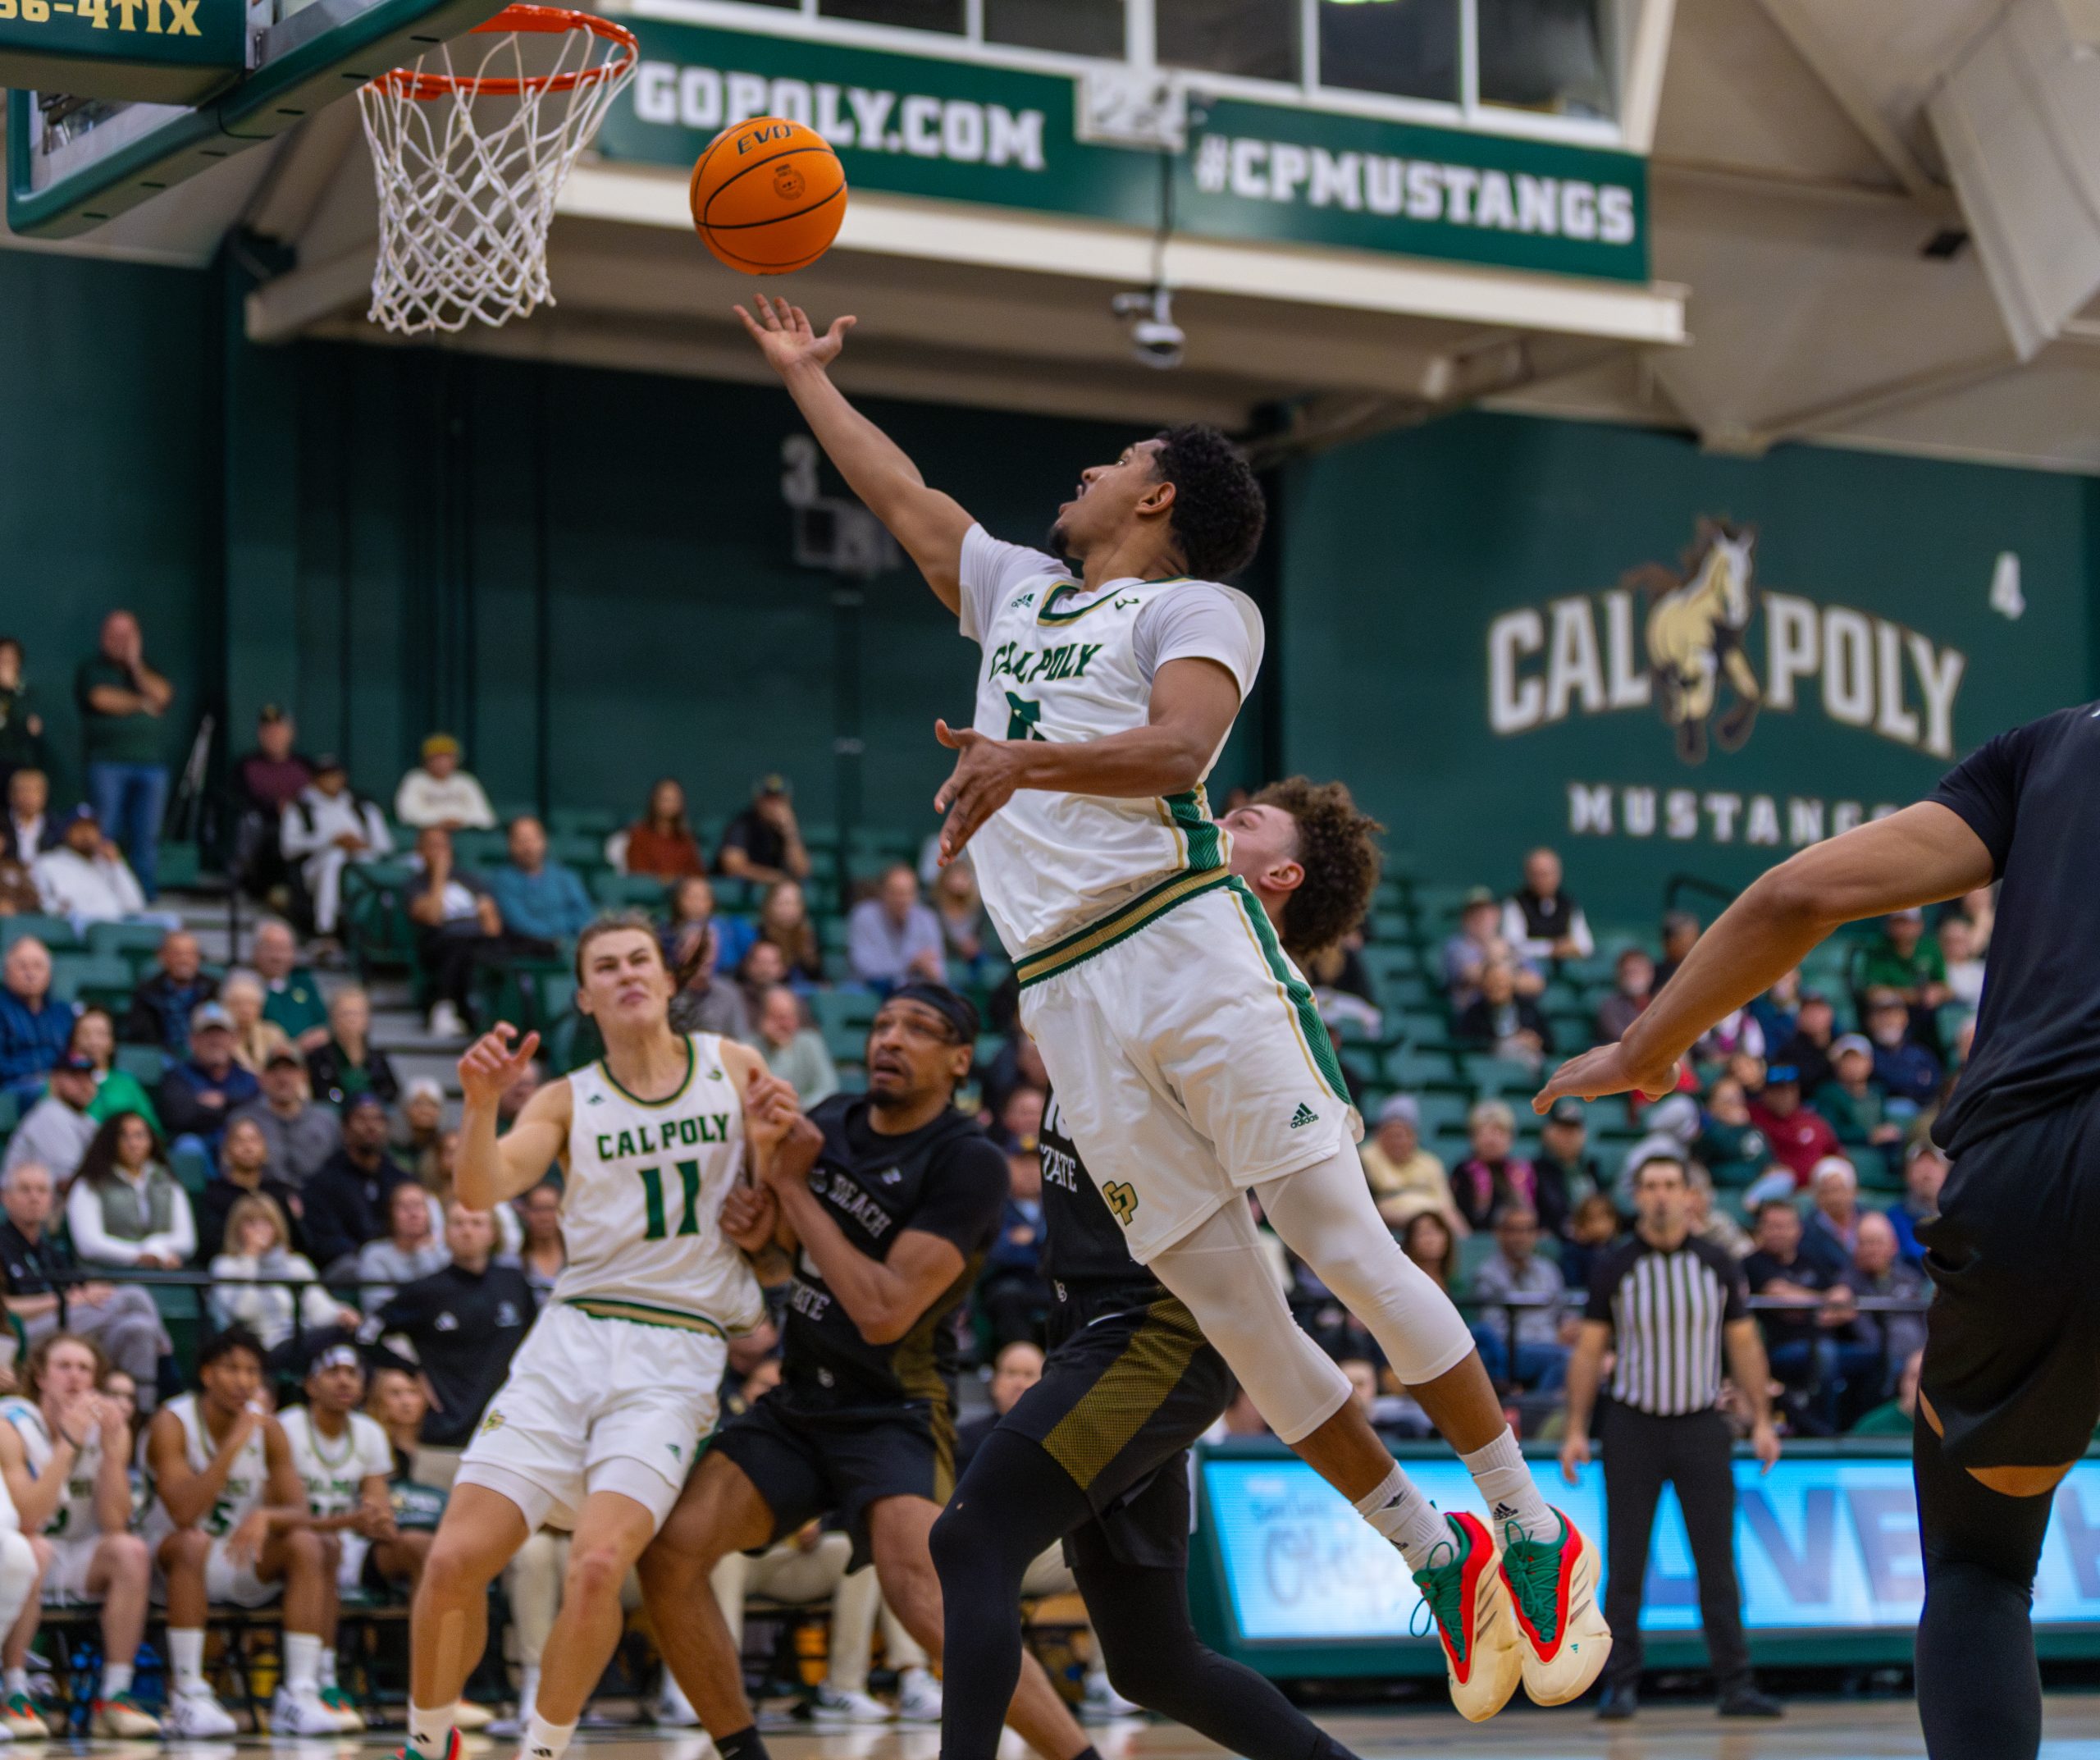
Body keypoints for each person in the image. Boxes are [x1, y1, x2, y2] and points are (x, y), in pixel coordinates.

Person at [736, 293, 1606, 1716]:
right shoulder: (1020, 591)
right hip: (1068, 998)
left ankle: (1525, 1520)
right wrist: (805, 381)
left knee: (1340, 1243)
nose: (1085, 471)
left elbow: (1183, 748)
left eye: (1115, 460)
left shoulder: (1196, 608)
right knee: (1236, 1314)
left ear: (1157, 498)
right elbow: (905, 500)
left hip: (1182, 947)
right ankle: (1432, 1551)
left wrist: (1023, 761)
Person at [1533, 706, 2100, 1758]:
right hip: (1651, 1417)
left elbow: (1797, 895)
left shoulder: (2053, 748)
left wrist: (1646, 1048)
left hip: (2033, 1179)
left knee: (1981, 1567)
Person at [632, 983, 1093, 1760]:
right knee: (670, 1550)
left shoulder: (969, 1161)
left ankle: (1079, 1757)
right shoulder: (832, 1120)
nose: (890, 1038)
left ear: (959, 1061)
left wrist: (789, 1188)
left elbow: (884, 1311)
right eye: (882, 1024)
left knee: (924, 1598)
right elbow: (783, 1266)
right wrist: (761, 1235)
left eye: (918, 1029)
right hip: (800, 1401)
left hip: (893, 1408)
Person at [397, 912, 789, 1760]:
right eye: (605, 966)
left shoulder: (735, 1066)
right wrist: (479, 1106)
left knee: (600, 1566)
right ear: (583, 996)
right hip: (570, 1340)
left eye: (639, 959)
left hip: (675, 1351)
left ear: (670, 978)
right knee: (454, 1559)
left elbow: (783, 1203)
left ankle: (543, 1748)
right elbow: (483, 1189)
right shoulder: (567, 1098)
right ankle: (428, 1746)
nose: (626, 974)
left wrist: (768, 1170)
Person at [1559, 1153, 1782, 1721]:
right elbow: (1589, 1350)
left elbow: (1744, 1342)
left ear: (1689, 1195)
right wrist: (1576, 1428)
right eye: (1651, 1185)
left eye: (1671, 1184)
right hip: (1632, 1424)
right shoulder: (1615, 1265)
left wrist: (1761, 1419)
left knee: (1717, 1561)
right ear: (1637, 1195)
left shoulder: (1718, 1262)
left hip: (1701, 1424)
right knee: (1626, 1562)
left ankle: (1736, 1683)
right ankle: (1620, 1684)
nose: (1661, 1195)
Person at [143, 1327, 354, 1735]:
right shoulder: (172, 1421)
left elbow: (299, 1509)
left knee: (308, 1544)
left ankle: (300, 1692)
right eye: (232, 1369)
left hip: (238, 1558)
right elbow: (184, 1513)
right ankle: (188, 1691)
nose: (243, 1381)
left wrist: (268, 1517)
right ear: (207, 1374)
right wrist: (234, 1443)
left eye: (252, 1371)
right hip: (170, 1565)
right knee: (192, 1542)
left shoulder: (270, 1429)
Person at [0, 1333, 159, 1735]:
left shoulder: (109, 1427)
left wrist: (111, 1454)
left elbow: (115, 1522)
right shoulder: (11, 1425)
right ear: (40, 1377)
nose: (75, 1377)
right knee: (33, 1549)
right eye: (64, 1367)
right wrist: (68, 1444)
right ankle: (14, 1692)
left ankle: (115, 1697)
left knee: (131, 1551)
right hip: (22, 1553)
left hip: (77, 1555)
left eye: (85, 1369)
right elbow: (27, 1518)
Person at [278, 1342, 418, 1728]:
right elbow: (284, 1516)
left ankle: (437, 1689)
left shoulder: (370, 1432)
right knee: (324, 1546)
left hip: (349, 1545)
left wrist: (381, 1520)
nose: (344, 1381)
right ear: (310, 1385)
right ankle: (321, 1680)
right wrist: (353, 1520)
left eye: (352, 1373)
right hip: (293, 1547)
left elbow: (377, 1504)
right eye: (333, 1372)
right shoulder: (286, 1427)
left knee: (421, 1547)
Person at [358, 1205, 532, 1486]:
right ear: (444, 1234)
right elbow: (365, 1335)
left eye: (477, 1223)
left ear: (493, 1233)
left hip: (505, 1438)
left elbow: (536, 1343)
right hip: (443, 1440)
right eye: (458, 1223)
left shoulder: (514, 1284)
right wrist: (411, 1371)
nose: (467, 1231)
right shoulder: (426, 1291)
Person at [0, 1163, 167, 1401]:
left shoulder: (52, 1250)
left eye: (42, 1190)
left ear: (52, 1200)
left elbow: (79, 1292)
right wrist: (62, 1301)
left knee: (139, 1327)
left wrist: (82, 1296)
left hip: (69, 1326)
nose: (34, 1197)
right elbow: (5, 1308)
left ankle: (142, 1410)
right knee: (129, 1297)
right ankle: (169, 1365)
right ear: (5, 1198)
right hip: (23, 1332)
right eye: (25, 1189)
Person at [1740, 1199, 1869, 1432]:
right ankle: (1826, 1431)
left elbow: (1843, 1302)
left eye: (1784, 1226)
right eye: (1772, 1226)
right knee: (1825, 1354)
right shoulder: (1753, 1263)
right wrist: (1823, 1303)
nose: (1778, 1232)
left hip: (1825, 1341)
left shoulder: (1811, 1260)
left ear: (1798, 1230)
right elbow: (1779, 1295)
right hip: (1779, 1348)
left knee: (1877, 1356)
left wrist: (1818, 1304)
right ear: (1760, 1230)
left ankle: (1858, 1428)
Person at [74, 611, 173, 900]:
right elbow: (102, 699)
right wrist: (144, 702)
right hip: (107, 763)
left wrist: (135, 664)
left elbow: (162, 696)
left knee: (147, 836)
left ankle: (142, 897)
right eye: (113, 634)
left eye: (126, 635)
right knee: (105, 831)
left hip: (152, 765)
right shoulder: (92, 669)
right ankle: (101, 894)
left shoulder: (148, 668)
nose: (119, 641)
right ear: (103, 636)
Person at [409, 825, 532, 1040]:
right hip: (439, 943)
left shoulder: (469, 880)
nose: (439, 852)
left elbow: (493, 927)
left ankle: (495, 1014)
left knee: (501, 947)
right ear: (420, 851)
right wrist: (439, 875)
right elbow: (433, 917)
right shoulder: (415, 884)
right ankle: (447, 1006)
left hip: (477, 941)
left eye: (444, 846)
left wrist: (487, 912)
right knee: (459, 945)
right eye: (433, 846)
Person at [207, 1194, 354, 1353]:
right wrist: (249, 1259)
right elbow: (244, 1312)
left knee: (347, 1338)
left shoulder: (297, 1264)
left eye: (266, 1222)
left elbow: (318, 1307)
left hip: (302, 1339)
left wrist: (340, 1314)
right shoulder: (225, 1266)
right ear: (236, 1229)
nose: (259, 1230)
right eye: (251, 1223)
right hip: (260, 1348)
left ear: (277, 1227)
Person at [65, 1111, 195, 1271]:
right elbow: (88, 1245)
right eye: (124, 1136)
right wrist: (138, 1255)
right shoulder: (90, 1183)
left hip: (162, 1272)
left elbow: (187, 1241)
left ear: (151, 1140)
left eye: (140, 1136)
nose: (133, 1144)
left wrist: (156, 1248)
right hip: (107, 1276)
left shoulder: (168, 1182)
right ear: (110, 1141)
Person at [278, 756, 391, 939]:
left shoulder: (362, 806)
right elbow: (288, 848)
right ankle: (326, 929)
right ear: (315, 779)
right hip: (315, 867)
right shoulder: (300, 808)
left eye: (335, 775)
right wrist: (331, 842)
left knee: (364, 862)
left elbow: (385, 847)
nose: (331, 780)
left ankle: (370, 929)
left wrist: (361, 845)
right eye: (326, 776)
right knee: (334, 858)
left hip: (360, 862)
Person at [302, 1094, 415, 1275]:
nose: (371, 1126)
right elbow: (324, 1241)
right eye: (361, 1119)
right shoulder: (323, 1183)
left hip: (400, 1261)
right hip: (348, 1268)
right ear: (345, 1127)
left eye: (377, 1119)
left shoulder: (400, 1179)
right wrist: (370, 1254)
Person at [1469, 1207, 1573, 1394]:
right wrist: (1552, 1337)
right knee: (1565, 1358)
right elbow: (1495, 1331)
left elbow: (1564, 1311)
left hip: (1551, 1344)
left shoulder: (1548, 1270)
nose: (1522, 1237)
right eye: (1514, 1230)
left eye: (1528, 1230)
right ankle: (1537, 1409)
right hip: (1513, 1348)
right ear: (1499, 1233)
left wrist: (1570, 1326)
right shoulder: (1487, 1274)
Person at [1842, 1213, 1929, 1404]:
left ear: (1893, 1246)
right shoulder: (1848, 1283)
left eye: (1876, 1243)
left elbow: (1924, 1321)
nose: (1870, 1250)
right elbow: (1867, 1334)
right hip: (1884, 1357)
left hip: (1920, 1352)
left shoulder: (1909, 1277)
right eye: (1864, 1243)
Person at [155, 1002, 259, 1157]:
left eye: (221, 1034)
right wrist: (231, 1106)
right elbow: (177, 1116)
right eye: (208, 1034)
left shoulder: (248, 1079)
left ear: (234, 1039)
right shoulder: (177, 1077)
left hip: (240, 1154)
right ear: (192, 1041)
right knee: (188, 1145)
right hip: (201, 1154)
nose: (215, 1041)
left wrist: (224, 1101)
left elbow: (257, 1114)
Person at [196, 1115, 304, 1261]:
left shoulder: (281, 1193)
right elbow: (208, 1248)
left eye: (254, 1140)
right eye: (239, 1141)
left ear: (265, 1149)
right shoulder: (214, 1195)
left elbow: (300, 1246)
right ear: (226, 1152)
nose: (248, 1147)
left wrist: (298, 1220)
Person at [1356, 1095, 1460, 1232]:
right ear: (1379, 1135)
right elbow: (1367, 1206)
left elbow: (1447, 1207)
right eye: (1392, 1135)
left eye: (1403, 1135)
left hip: (1433, 1224)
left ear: (1414, 1137)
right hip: (1386, 1226)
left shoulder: (1430, 1163)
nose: (1397, 1142)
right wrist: (1419, 1219)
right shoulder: (1365, 1157)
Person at [31, 805, 146, 925]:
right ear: (66, 832)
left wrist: (116, 865)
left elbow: (135, 905)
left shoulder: (107, 864)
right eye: (79, 828)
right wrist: (60, 909)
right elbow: (42, 903)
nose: (86, 834)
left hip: (114, 928)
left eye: (91, 829)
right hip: (74, 930)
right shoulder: (48, 862)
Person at [486, 816, 594, 944]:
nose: (529, 847)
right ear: (510, 844)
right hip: (528, 948)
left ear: (544, 841)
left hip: (569, 944)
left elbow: (584, 914)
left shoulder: (564, 876)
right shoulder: (502, 880)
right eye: (522, 840)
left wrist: (565, 939)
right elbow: (520, 923)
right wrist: (556, 935)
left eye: (534, 839)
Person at [847, 864, 947, 992]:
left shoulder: (927, 918)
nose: (901, 900)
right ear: (882, 892)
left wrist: (931, 971)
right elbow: (863, 966)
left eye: (907, 893)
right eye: (895, 893)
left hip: (915, 990)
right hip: (871, 988)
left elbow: (940, 971)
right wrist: (910, 964)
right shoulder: (864, 915)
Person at [1, 1057, 98, 1186]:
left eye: (88, 1077)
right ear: (54, 1081)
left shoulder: (86, 1119)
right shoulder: (50, 1114)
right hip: (19, 1196)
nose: (84, 1084)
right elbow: (66, 1182)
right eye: (75, 1077)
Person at [0, 939, 74, 1105]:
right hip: (13, 1088)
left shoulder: (62, 1011)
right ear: (6, 973)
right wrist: (44, 1077)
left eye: (38, 966)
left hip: (58, 1084)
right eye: (22, 967)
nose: (30, 974)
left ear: (49, 974)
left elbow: (74, 1055)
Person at [121, 930, 216, 1058]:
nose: (184, 960)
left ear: (198, 958)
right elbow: (142, 1035)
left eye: (190, 954)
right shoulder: (147, 993)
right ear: (162, 957)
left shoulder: (213, 990)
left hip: (204, 1059)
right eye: (177, 954)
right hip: (160, 1059)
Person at [356, 1182, 449, 1313]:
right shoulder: (375, 1255)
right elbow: (378, 1307)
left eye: (419, 1206)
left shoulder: (442, 1253)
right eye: (405, 1207)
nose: (413, 1214)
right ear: (391, 1214)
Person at [1450, 1099, 1539, 1233]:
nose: (1492, 1140)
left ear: (1511, 1137)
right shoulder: (1463, 1171)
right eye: (1484, 1132)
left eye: (1500, 1132)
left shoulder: (1522, 1171)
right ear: (1472, 1137)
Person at [305, 985, 399, 1111]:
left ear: (367, 1019)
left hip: (374, 1115)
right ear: (333, 1018)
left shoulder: (378, 1057)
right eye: (345, 1014)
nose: (351, 1019)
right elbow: (322, 1093)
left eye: (357, 1014)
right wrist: (351, 1105)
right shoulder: (318, 1057)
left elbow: (390, 1091)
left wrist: (370, 1104)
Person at [1745, 1066, 1838, 1185]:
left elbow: (1837, 1156)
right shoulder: (1751, 1117)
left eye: (1791, 1090)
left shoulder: (1813, 1121)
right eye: (1778, 1091)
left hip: (1815, 1190)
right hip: (1773, 1189)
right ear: (1765, 1093)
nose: (1786, 1096)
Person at [1454, 958, 1553, 1070]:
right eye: (1492, 982)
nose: (1496, 987)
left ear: (1511, 984)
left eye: (1501, 982)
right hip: (1491, 1062)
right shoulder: (1473, 1013)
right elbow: (1468, 1044)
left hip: (1530, 1057)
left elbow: (1549, 1042)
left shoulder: (1528, 1009)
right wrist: (1503, 1043)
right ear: (1483, 985)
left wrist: (1536, 1040)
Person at [1500, 847, 1593, 963]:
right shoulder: (1514, 904)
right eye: (1537, 874)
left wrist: (1570, 948)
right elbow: (1513, 944)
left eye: (1547, 874)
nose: (1543, 880)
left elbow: (1586, 945)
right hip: (1528, 966)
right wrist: (1551, 948)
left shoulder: (1568, 903)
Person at [715, 775, 810, 885]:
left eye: (779, 800)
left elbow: (801, 871)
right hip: (745, 887)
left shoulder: (788, 828)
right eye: (769, 799)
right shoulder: (743, 824)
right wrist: (773, 878)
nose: (774, 806)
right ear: (758, 801)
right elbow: (732, 865)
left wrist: (790, 832)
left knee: (792, 890)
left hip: (777, 889)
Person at [753, 985, 838, 1106]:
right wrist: (779, 1049)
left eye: (790, 1017)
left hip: (805, 1113)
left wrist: (796, 1107)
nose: (785, 1024)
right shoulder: (749, 1047)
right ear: (763, 1018)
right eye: (778, 1017)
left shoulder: (811, 1042)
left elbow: (829, 1088)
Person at [250, 920, 329, 1049]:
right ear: (256, 951)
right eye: (270, 949)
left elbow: (324, 1026)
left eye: (283, 949)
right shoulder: (246, 987)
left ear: (293, 952)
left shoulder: (304, 983)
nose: (277, 957)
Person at [394, 735, 495, 832]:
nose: (442, 763)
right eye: (437, 758)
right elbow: (407, 813)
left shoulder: (465, 781)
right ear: (426, 760)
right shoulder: (415, 779)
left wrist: (459, 821)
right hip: (428, 834)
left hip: (465, 834)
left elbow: (484, 816)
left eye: (447, 757)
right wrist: (440, 821)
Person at [1531, 1097, 1597, 1237]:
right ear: (1547, 1132)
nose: (1568, 1137)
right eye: (1562, 1130)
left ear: (1583, 1134)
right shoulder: (1534, 1171)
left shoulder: (1590, 1169)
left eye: (1573, 1130)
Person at [622, 780, 706, 880]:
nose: (670, 804)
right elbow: (639, 873)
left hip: (683, 888)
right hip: (650, 888)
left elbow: (697, 874)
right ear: (655, 801)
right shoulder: (639, 834)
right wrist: (665, 880)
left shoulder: (686, 839)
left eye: (674, 799)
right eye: (666, 799)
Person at [220, 970, 293, 1075]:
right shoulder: (219, 1037)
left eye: (251, 1004)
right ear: (225, 1006)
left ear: (260, 1007)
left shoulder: (273, 1034)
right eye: (237, 1004)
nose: (245, 1010)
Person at [1887, 1142, 1947, 1267]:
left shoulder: (1957, 1217)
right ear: (1907, 1174)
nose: (1926, 1171)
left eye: (1933, 1164)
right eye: (1919, 1164)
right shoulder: (1891, 1220)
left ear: (1946, 1172)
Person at [0, 645, 46, 802]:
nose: (5, 666)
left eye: (9, 660)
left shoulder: (26, 694)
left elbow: (30, 727)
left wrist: (11, 691)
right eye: (1, 660)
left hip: (18, 764)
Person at [756, 880, 824, 985]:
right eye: (784, 903)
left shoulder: (808, 937)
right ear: (769, 906)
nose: (790, 909)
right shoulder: (757, 936)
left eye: (796, 903)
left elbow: (818, 977)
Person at [1593, 948, 1653, 1045]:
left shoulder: (1659, 1001)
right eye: (1628, 972)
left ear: (1650, 973)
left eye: (1637, 971)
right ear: (1620, 976)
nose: (1634, 977)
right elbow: (1624, 1040)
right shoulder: (1610, 1007)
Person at [515, 1182, 564, 1297]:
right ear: (525, 1212)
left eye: (550, 1209)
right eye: (537, 1209)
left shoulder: (576, 1262)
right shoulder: (513, 1263)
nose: (544, 1217)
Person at [0, 771, 57, 869]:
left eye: (34, 791)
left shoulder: (55, 826)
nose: (28, 796)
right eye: (23, 790)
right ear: (11, 795)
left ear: (44, 796)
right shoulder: (2, 823)